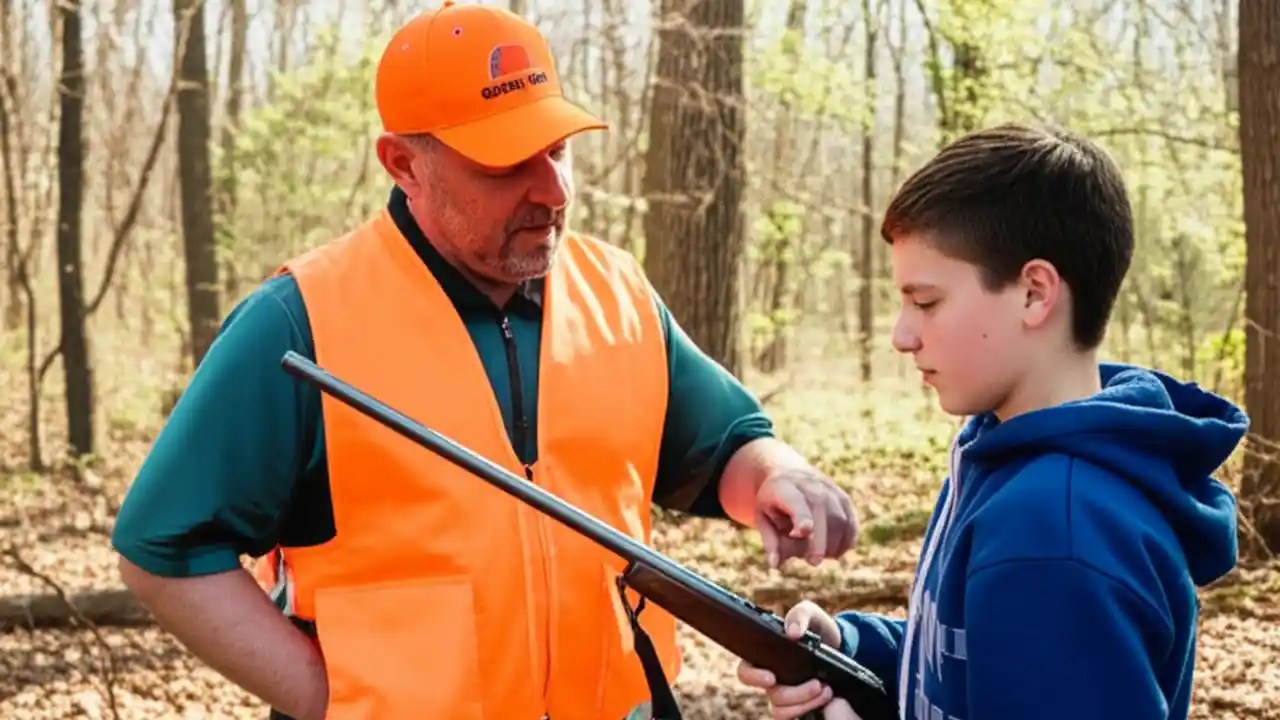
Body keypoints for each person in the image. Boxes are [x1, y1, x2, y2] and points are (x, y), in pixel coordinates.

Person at [109, 3, 861, 720]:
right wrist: (322, 697)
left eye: (559, 149)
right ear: (405, 163)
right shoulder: (300, 322)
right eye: (505, 164)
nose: (552, 189)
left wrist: (776, 474)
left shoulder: (618, 294)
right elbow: (163, 547)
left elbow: (722, 445)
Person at [737, 123, 1248, 720]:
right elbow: (980, 667)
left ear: (1035, 293)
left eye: (926, 302)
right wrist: (855, 653)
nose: (902, 336)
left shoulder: (1055, 531)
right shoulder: (1002, 457)